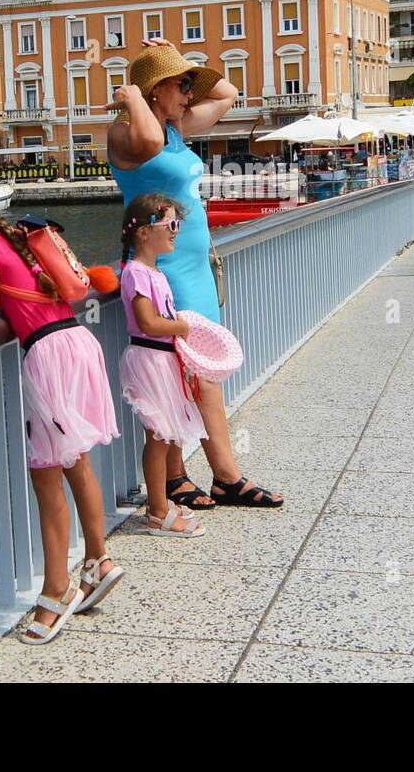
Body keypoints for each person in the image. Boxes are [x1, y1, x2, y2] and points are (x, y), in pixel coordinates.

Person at [0, 192, 122, 644]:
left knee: (45, 477)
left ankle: (57, 590)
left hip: (48, 356)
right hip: (76, 343)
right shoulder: (14, 238)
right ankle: (97, 560)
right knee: (78, 463)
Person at [107, 38, 281, 509]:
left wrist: (178, 53)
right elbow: (147, 142)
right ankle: (205, 476)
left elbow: (227, 94)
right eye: (181, 85)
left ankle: (202, 476)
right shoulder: (125, 131)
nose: (189, 92)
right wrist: (133, 95)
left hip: (196, 269)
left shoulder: (176, 127)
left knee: (202, 373)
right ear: (155, 89)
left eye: (188, 85)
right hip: (161, 270)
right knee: (184, 373)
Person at [118, 193, 208, 538]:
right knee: (157, 436)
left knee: (166, 436)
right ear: (143, 232)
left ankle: (161, 503)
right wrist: (182, 327)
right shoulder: (138, 273)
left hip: (162, 359)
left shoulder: (154, 271)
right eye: (170, 224)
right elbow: (148, 323)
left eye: (178, 225)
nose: (176, 231)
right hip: (149, 358)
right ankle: (157, 511)